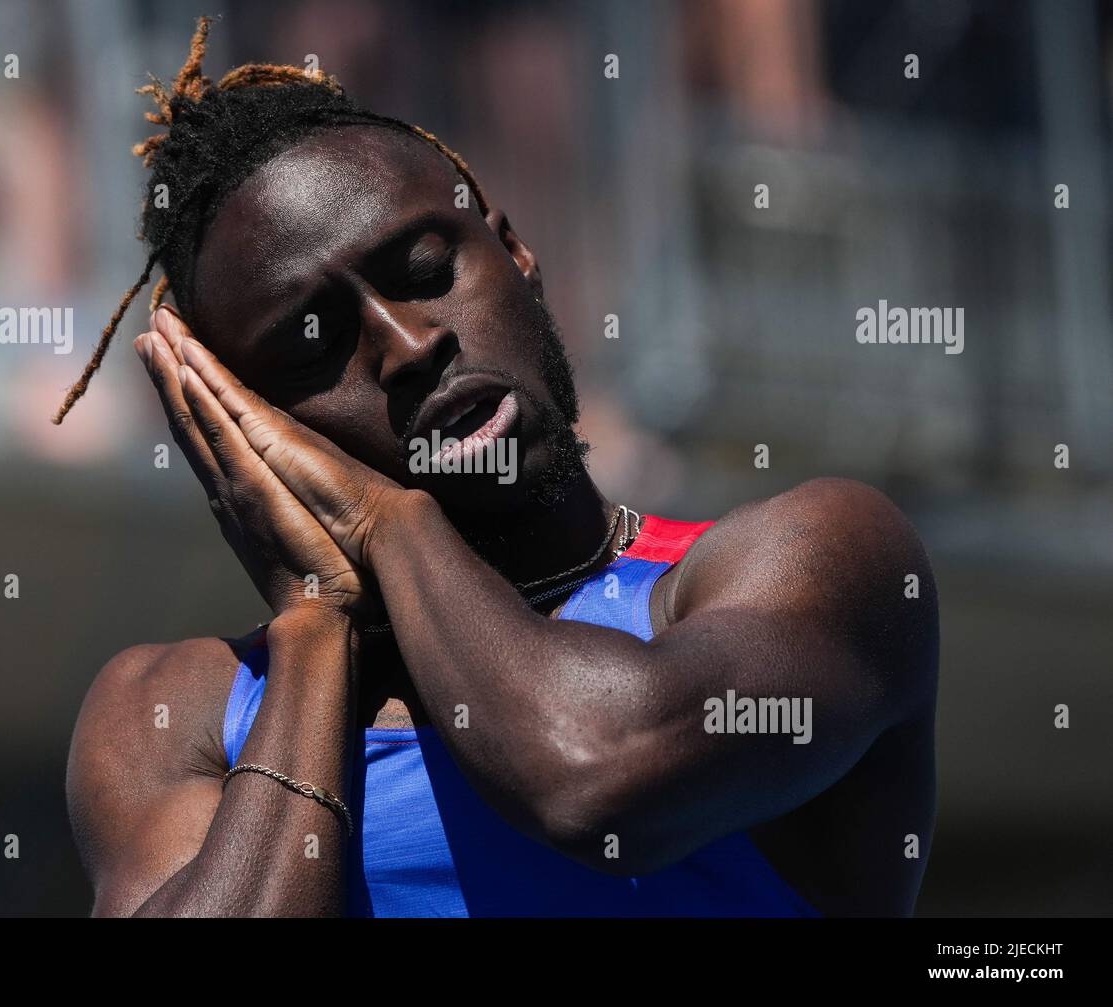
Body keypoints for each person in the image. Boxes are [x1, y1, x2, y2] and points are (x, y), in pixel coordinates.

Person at [64, 18, 938, 917]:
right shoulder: (178, 711)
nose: (409, 345)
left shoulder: (816, 558)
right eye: (313, 344)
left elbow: (594, 776)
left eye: (427, 269)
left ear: (517, 256)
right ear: (244, 424)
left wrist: (389, 525)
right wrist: (317, 621)